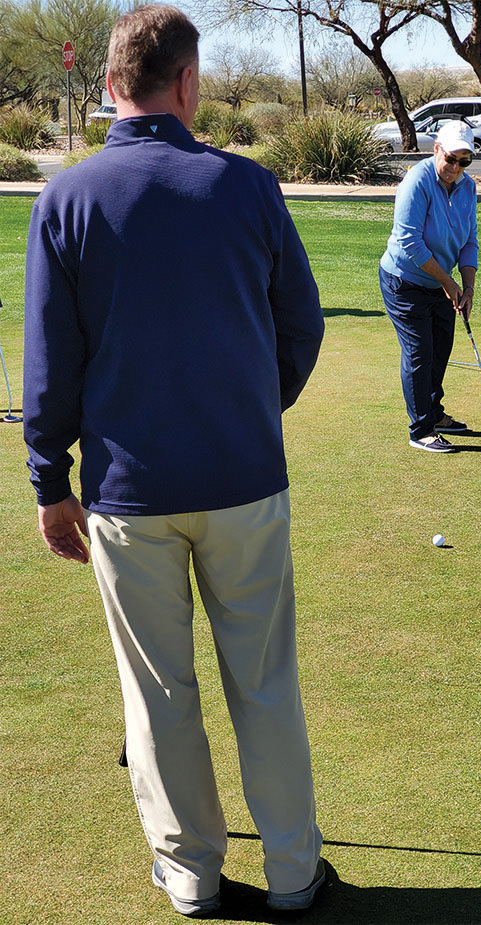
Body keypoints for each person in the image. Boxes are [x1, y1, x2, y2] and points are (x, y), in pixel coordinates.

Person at [23, 5, 326, 917]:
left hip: (128, 491)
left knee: (158, 695)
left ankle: (190, 870)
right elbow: (300, 327)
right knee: (264, 681)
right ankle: (293, 871)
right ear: (186, 83)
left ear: (111, 83)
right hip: (242, 481)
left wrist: (48, 479)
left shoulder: (66, 199)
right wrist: (245, 409)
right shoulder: (248, 186)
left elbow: (51, 364)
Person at [379, 119, 479, 453]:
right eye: (451, 158)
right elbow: (410, 241)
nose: (455, 167)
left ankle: (434, 412)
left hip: (441, 282)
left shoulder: (468, 187)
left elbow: (469, 242)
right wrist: (447, 281)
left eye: (464, 161)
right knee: (420, 352)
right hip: (403, 280)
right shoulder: (417, 181)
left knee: (440, 351)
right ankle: (421, 429)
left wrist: (467, 288)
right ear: (436, 149)